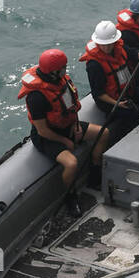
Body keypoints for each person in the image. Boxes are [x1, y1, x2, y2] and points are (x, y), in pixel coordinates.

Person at [18, 49, 108, 209]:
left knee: (104, 133)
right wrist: (65, 141)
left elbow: (71, 106)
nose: (65, 70)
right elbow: (42, 131)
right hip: (48, 137)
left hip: (69, 125)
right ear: (53, 72)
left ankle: (95, 175)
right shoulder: (36, 97)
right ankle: (70, 197)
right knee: (71, 164)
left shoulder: (62, 82)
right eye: (63, 67)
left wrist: (77, 125)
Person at [80, 20, 139, 141]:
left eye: (109, 43)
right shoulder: (94, 65)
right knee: (138, 113)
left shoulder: (119, 48)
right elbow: (99, 93)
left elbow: (133, 54)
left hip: (127, 90)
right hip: (111, 101)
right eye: (103, 44)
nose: (106, 47)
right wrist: (117, 103)